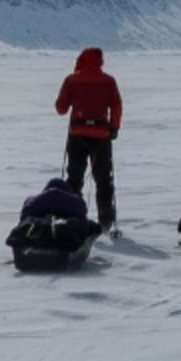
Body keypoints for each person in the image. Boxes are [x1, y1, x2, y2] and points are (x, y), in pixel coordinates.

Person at [54, 46, 122, 228]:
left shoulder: (71, 80)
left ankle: (74, 220)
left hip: (77, 135)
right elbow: (116, 107)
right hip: (101, 136)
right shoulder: (109, 81)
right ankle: (106, 223)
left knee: (74, 180)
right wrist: (114, 128)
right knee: (103, 181)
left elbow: (60, 109)